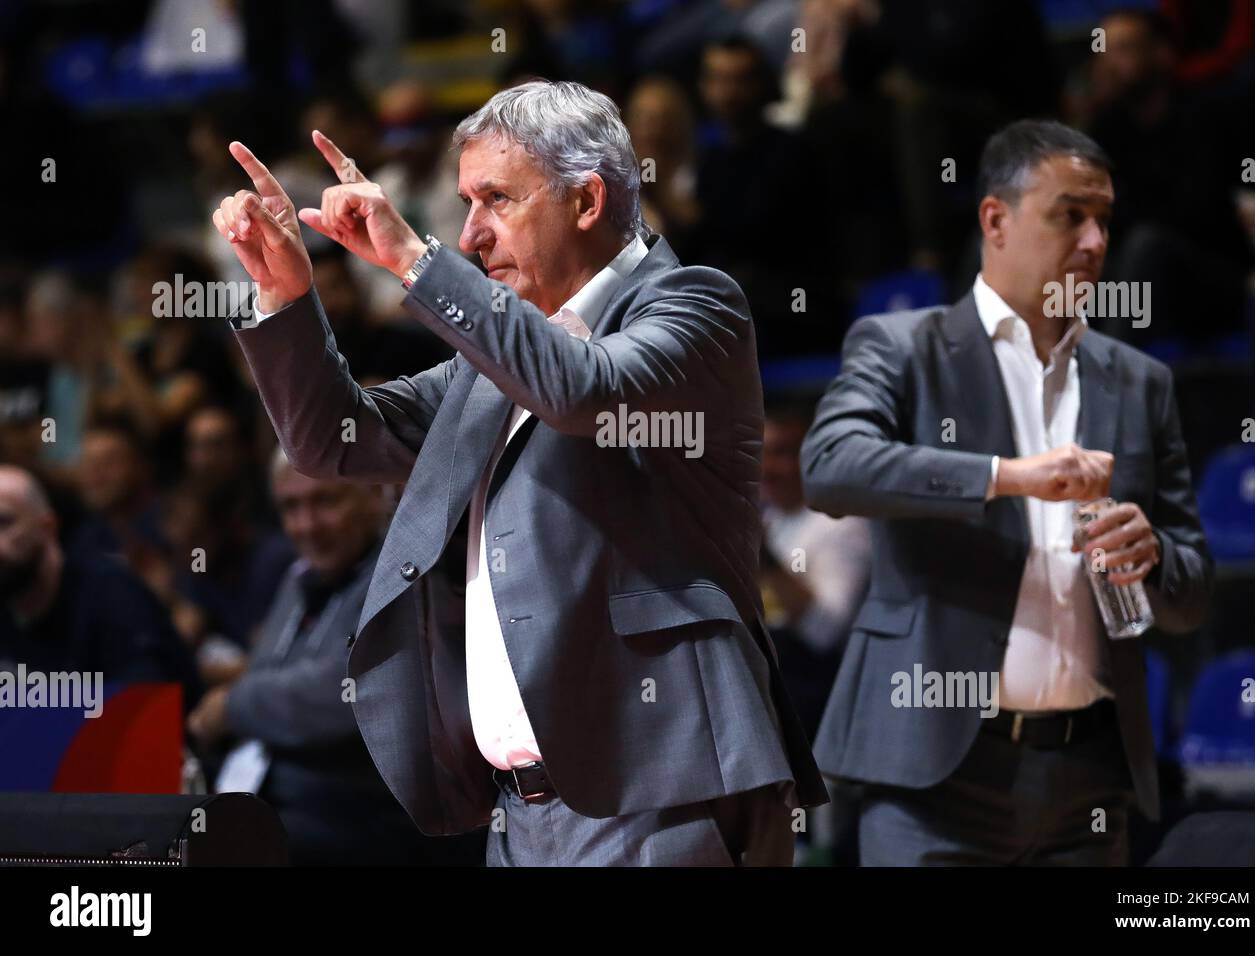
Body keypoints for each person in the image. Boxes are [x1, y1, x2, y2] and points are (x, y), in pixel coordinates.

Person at [210, 79, 826, 866]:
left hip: (668, 787)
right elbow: (333, 441)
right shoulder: (497, 356)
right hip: (519, 814)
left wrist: (410, 259)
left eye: (495, 200)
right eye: (464, 204)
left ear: (588, 200)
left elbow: (583, 390)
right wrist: (287, 297)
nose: (469, 238)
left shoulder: (693, 307)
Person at [802, 120, 1213, 865]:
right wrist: (1006, 476)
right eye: (1070, 215)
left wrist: (1153, 557)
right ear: (996, 218)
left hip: (1088, 776)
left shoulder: (1141, 382)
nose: (1094, 242)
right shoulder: (902, 345)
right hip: (934, 772)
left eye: (1104, 221)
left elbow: (1193, 591)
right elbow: (831, 465)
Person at [187, 450, 484, 866]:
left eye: (326, 501)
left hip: (369, 819)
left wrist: (233, 706)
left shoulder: (406, 571)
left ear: (372, 496)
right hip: (286, 800)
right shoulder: (302, 576)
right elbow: (268, 675)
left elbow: (344, 693)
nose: (307, 525)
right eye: (291, 507)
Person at [0, 465, 198, 705]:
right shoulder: (10, 602)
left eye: (4, 523)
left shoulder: (112, 596)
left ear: (47, 528)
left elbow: (145, 717)